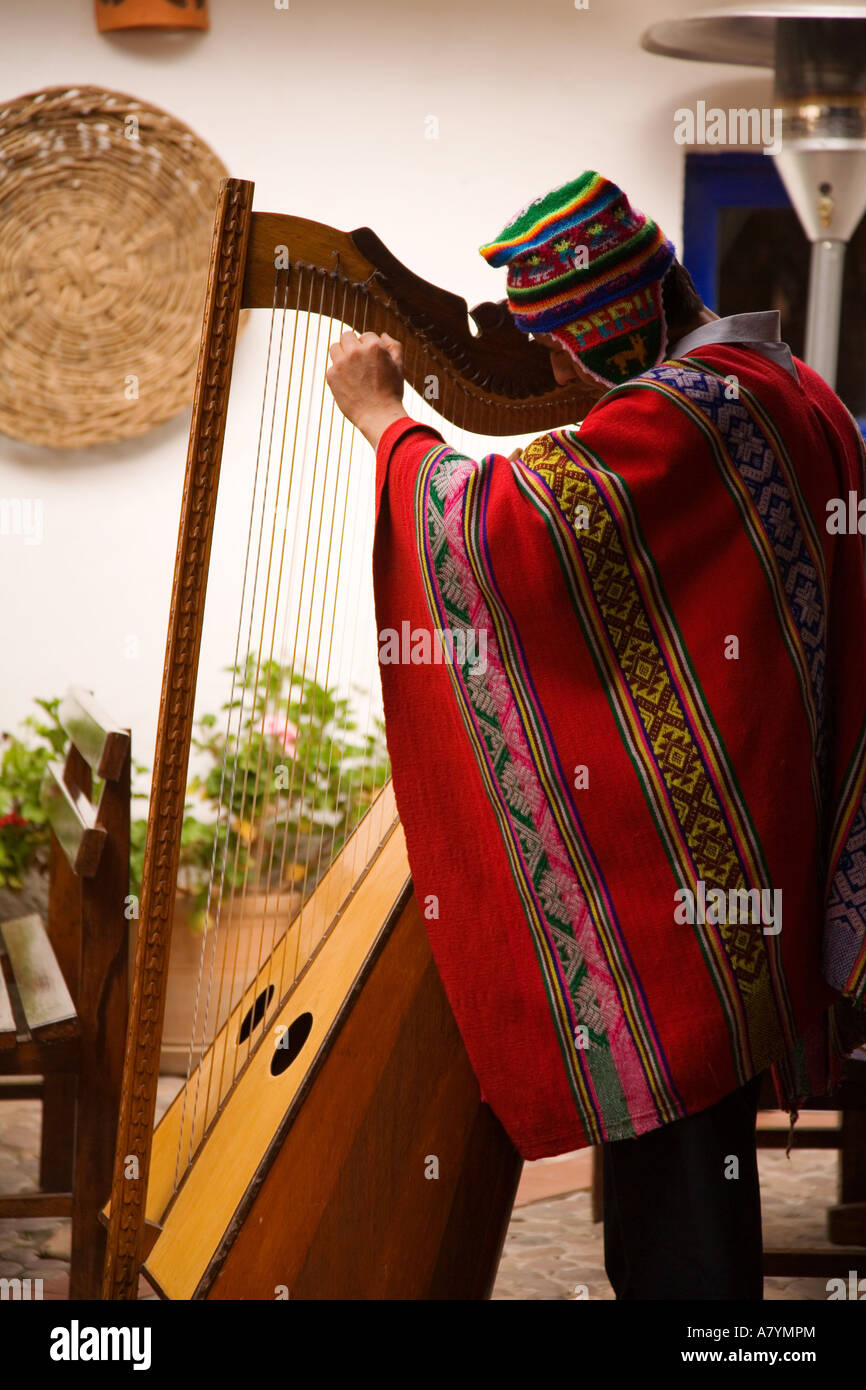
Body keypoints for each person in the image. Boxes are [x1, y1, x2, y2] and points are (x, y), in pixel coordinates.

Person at [325, 171, 866, 1300]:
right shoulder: (783, 387)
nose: (559, 374)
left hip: (694, 893)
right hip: (759, 833)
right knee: (688, 1193)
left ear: (610, 325)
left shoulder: (690, 412)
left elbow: (504, 536)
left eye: (560, 345)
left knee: (679, 1231)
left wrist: (385, 426)